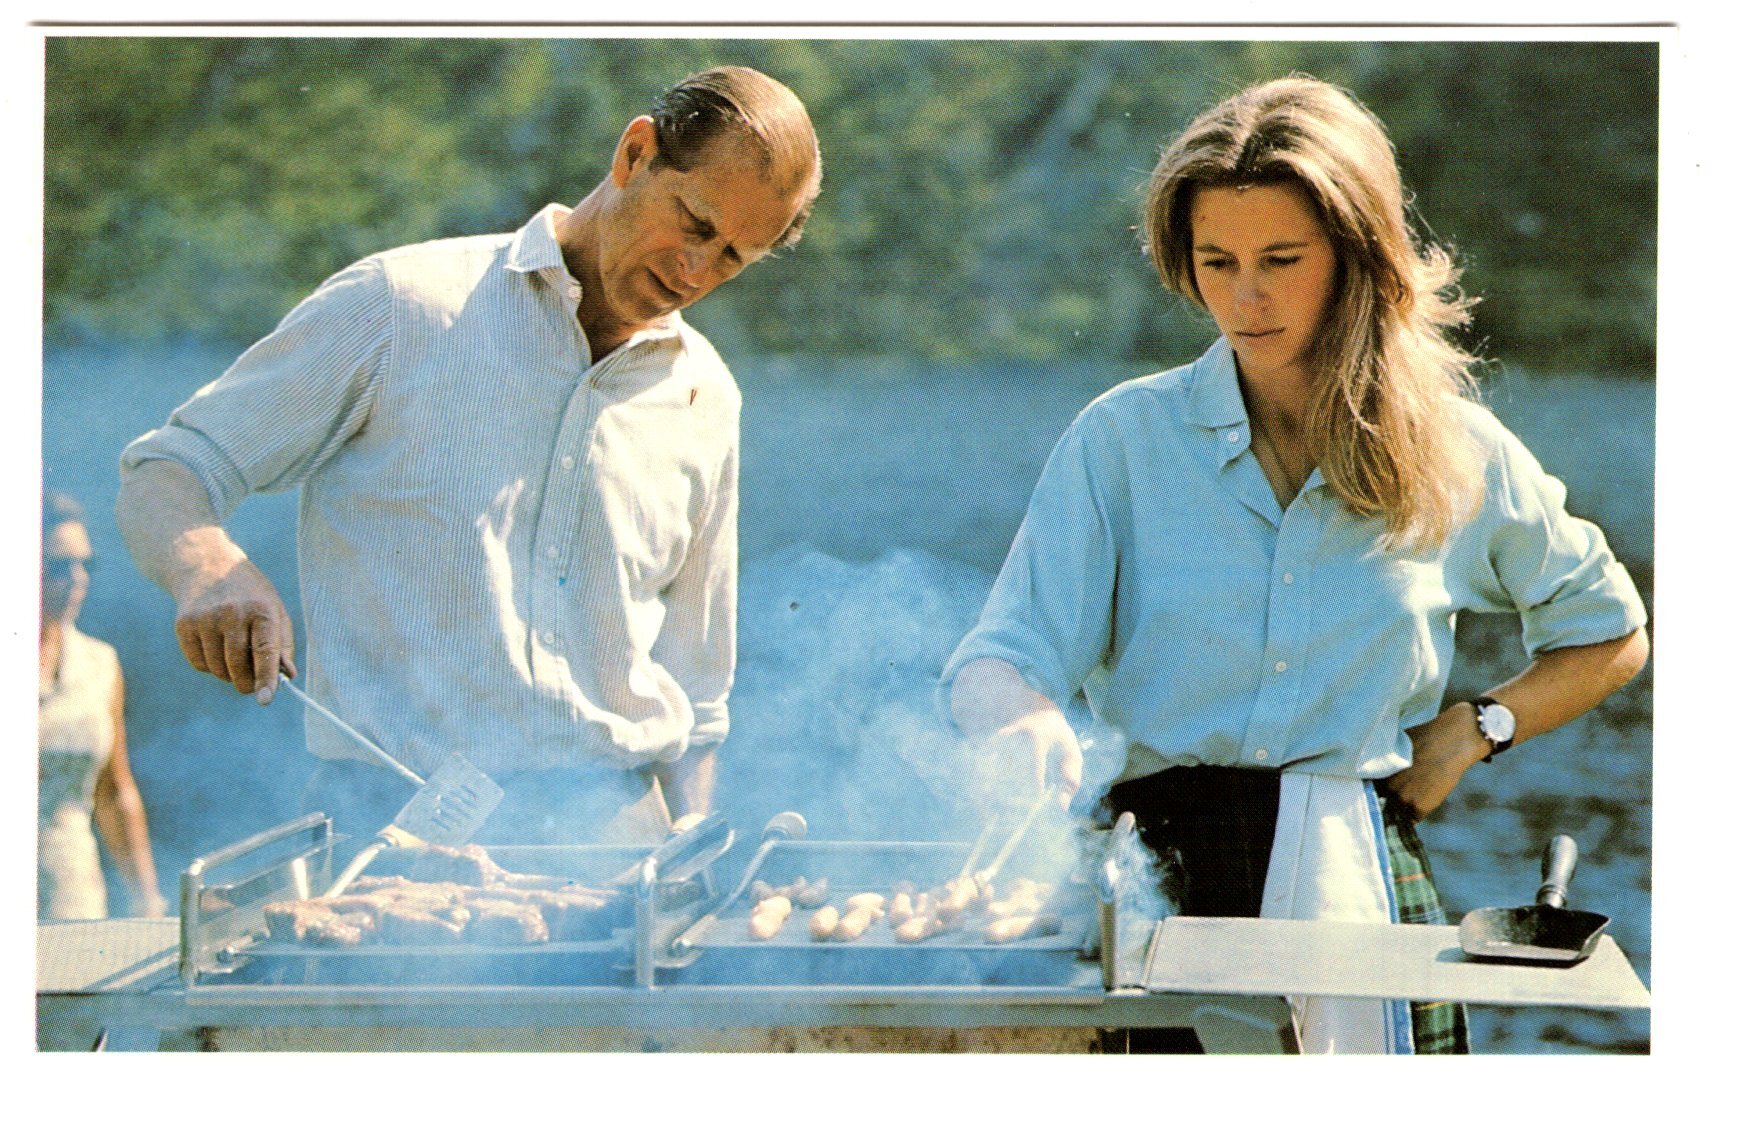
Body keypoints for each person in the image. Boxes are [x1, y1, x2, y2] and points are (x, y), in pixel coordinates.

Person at [942, 76, 1649, 1054]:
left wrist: (1480, 727)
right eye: (1216, 261)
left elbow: (1609, 630)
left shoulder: (1456, 448)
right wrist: (1018, 710)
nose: (1245, 296)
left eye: (1281, 258)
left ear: (1356, 258)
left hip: (1363, 883)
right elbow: (1002, 653)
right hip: (1157, 889)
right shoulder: (1122, 441)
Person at [117, 66, 822, 843]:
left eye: (730, 258)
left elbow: (699, 690)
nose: (694, 272)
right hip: (392, 834)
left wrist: (691, 851)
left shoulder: (706, 397)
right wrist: (206, 565)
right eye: (693, 222)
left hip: (615, 845)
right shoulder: (399, 306)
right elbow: (170, 469)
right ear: (635, 153)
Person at [40, 491, 167, 920]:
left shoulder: (100, 662)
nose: (77, 579)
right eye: (58, 567)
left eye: (85, 565)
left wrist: (146, 898)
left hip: (72, 892)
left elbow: (114, 790)